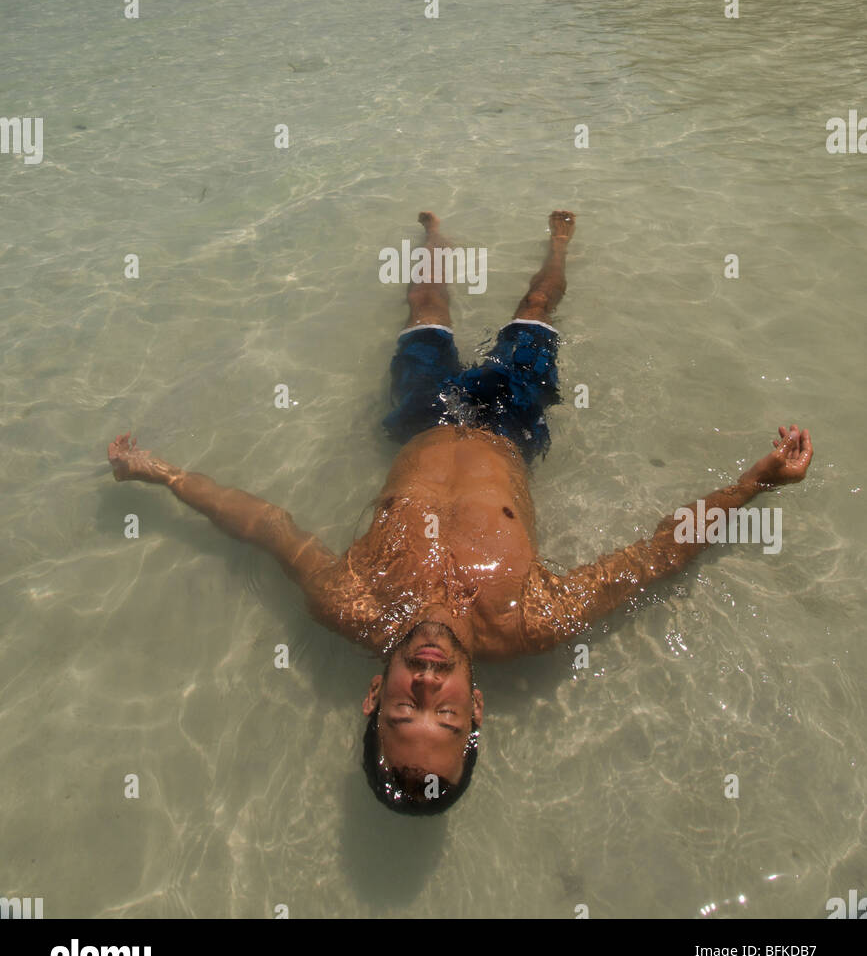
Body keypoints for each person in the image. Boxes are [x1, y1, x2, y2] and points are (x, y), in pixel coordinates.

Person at [108, 210, 813, 814]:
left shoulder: (351, 602)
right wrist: (758, 482)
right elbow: (656, 557)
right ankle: (559, 240)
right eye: (443, 712)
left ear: (370, 701)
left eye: (402, 709)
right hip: (510, 420)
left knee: (422, 303)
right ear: (474, 709)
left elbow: (264, 526)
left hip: (420, 418)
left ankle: (435, 233)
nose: (423, 683)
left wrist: (165, 474)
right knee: (536, 302)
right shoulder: (533, 620)